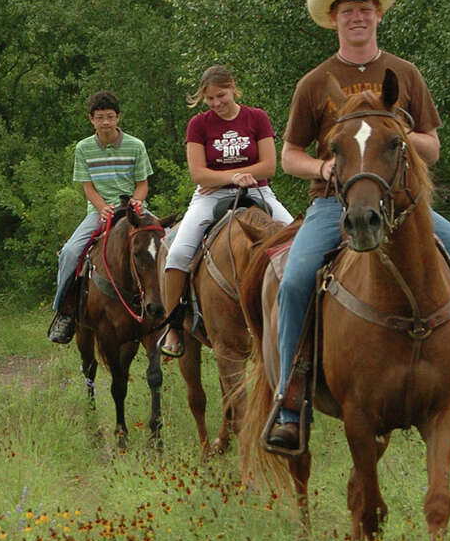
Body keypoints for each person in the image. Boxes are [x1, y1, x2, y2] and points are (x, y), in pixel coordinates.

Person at [264, 0, 450, 453]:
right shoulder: (315, 82)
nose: (357, 17)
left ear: (378, 14)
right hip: (333, 206)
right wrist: (323, 171)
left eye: (365, 9)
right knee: (297, 278)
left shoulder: (406, 74)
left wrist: (395, 139)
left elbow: (433, 143)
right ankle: (291, 402)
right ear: (335, 18)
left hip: (406, 206)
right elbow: (290, 154)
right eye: (348, 11)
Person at [159, 65, 293, 358]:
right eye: (210, 99)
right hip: (212, 194)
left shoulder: (256, 117)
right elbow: (199, 174)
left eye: (221, 95)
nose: (217, 103)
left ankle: (306, 319)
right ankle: (173, 327)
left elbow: (269, 166)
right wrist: (232, 177)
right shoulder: (199, 124)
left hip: (258, 191)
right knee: (178, 253)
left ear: (233, 88)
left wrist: (242, 176)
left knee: (298, 241)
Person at [47, 91, 153, 344]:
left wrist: (137, 202)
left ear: (118, 117)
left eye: (110, 117)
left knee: (168, 243)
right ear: (91, 120)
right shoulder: (83, 148)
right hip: (99, 210)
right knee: (72, 252)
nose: (105, 122)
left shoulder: (136, 145)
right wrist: (102, 208)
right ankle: (65, 312)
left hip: (134, 210)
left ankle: (175, 312)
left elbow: (142, 183)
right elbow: (87, 187)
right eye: (100, 118)